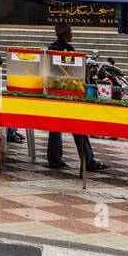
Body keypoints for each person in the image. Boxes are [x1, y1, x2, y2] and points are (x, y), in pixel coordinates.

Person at [46, 23, 105, 171]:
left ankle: (54, 159)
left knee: (55, 126)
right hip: (68, 92)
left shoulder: (51, 49)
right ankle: (88, 160)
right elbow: (72, 72)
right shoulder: (67, 50)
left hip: (54, 91)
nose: (72, 35)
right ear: (66, 34)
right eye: (71, 32)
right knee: (78, 126)